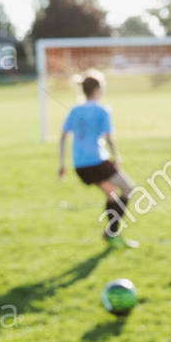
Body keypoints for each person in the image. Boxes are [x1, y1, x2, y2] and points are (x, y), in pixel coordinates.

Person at [60, 69, 138, 248]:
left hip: (80, 166)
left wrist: (62, 164)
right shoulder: (102, 110)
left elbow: (63, 136)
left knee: (111, 195)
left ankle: (111, 234)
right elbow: (109, 137)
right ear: (97, 89)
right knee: (128, 189)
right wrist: (116, 157)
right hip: (96, 161)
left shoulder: (74, 110)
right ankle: (111, 231)